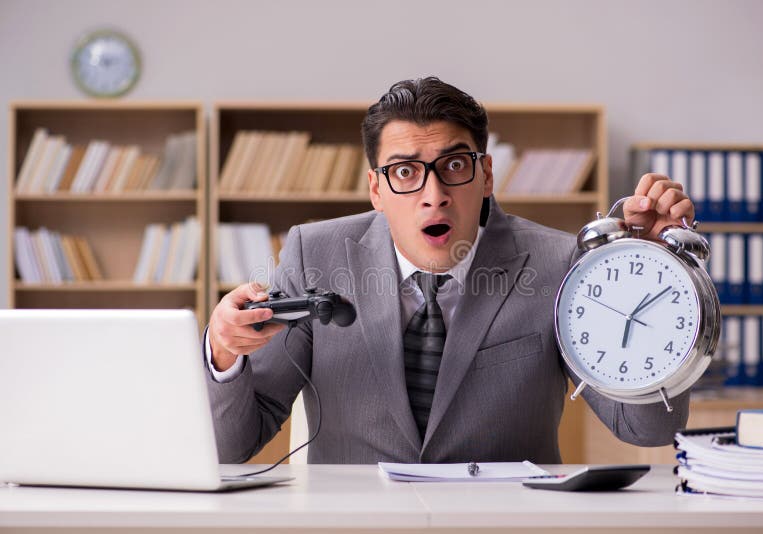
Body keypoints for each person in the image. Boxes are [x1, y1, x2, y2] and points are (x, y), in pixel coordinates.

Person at [204, 77, 694, 464]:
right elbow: (233, 446)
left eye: (454, 165)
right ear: (376, 189)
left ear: (485, 176)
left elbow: (646, 431)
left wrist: (651, 274)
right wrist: (224, 352)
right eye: (404, 172)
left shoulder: (560, 264)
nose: (433, 194)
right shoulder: (316, 253)